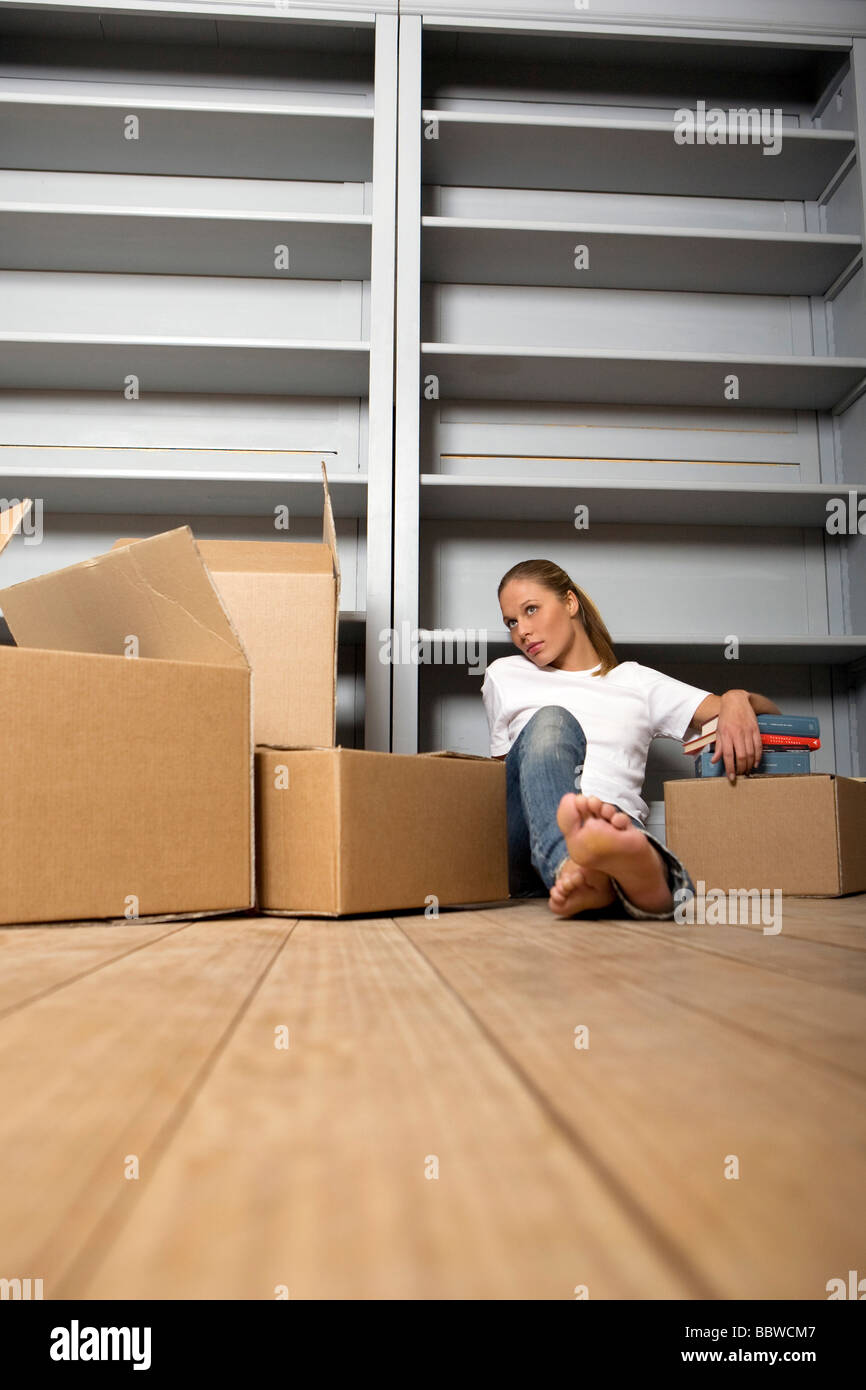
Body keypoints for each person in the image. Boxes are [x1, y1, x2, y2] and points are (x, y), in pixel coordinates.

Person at [481, 559, 782, 921]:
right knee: (552, 720)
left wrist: (736, 698)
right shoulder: (504, 675)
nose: (522, 632)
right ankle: (574, 866)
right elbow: (502, 787)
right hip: (530, 844)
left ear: (570, 603)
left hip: (612, 820)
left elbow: (771, 719)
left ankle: (629, 876)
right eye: (512, 622)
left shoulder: (637, 683)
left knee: (617, 830)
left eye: (531, 610)